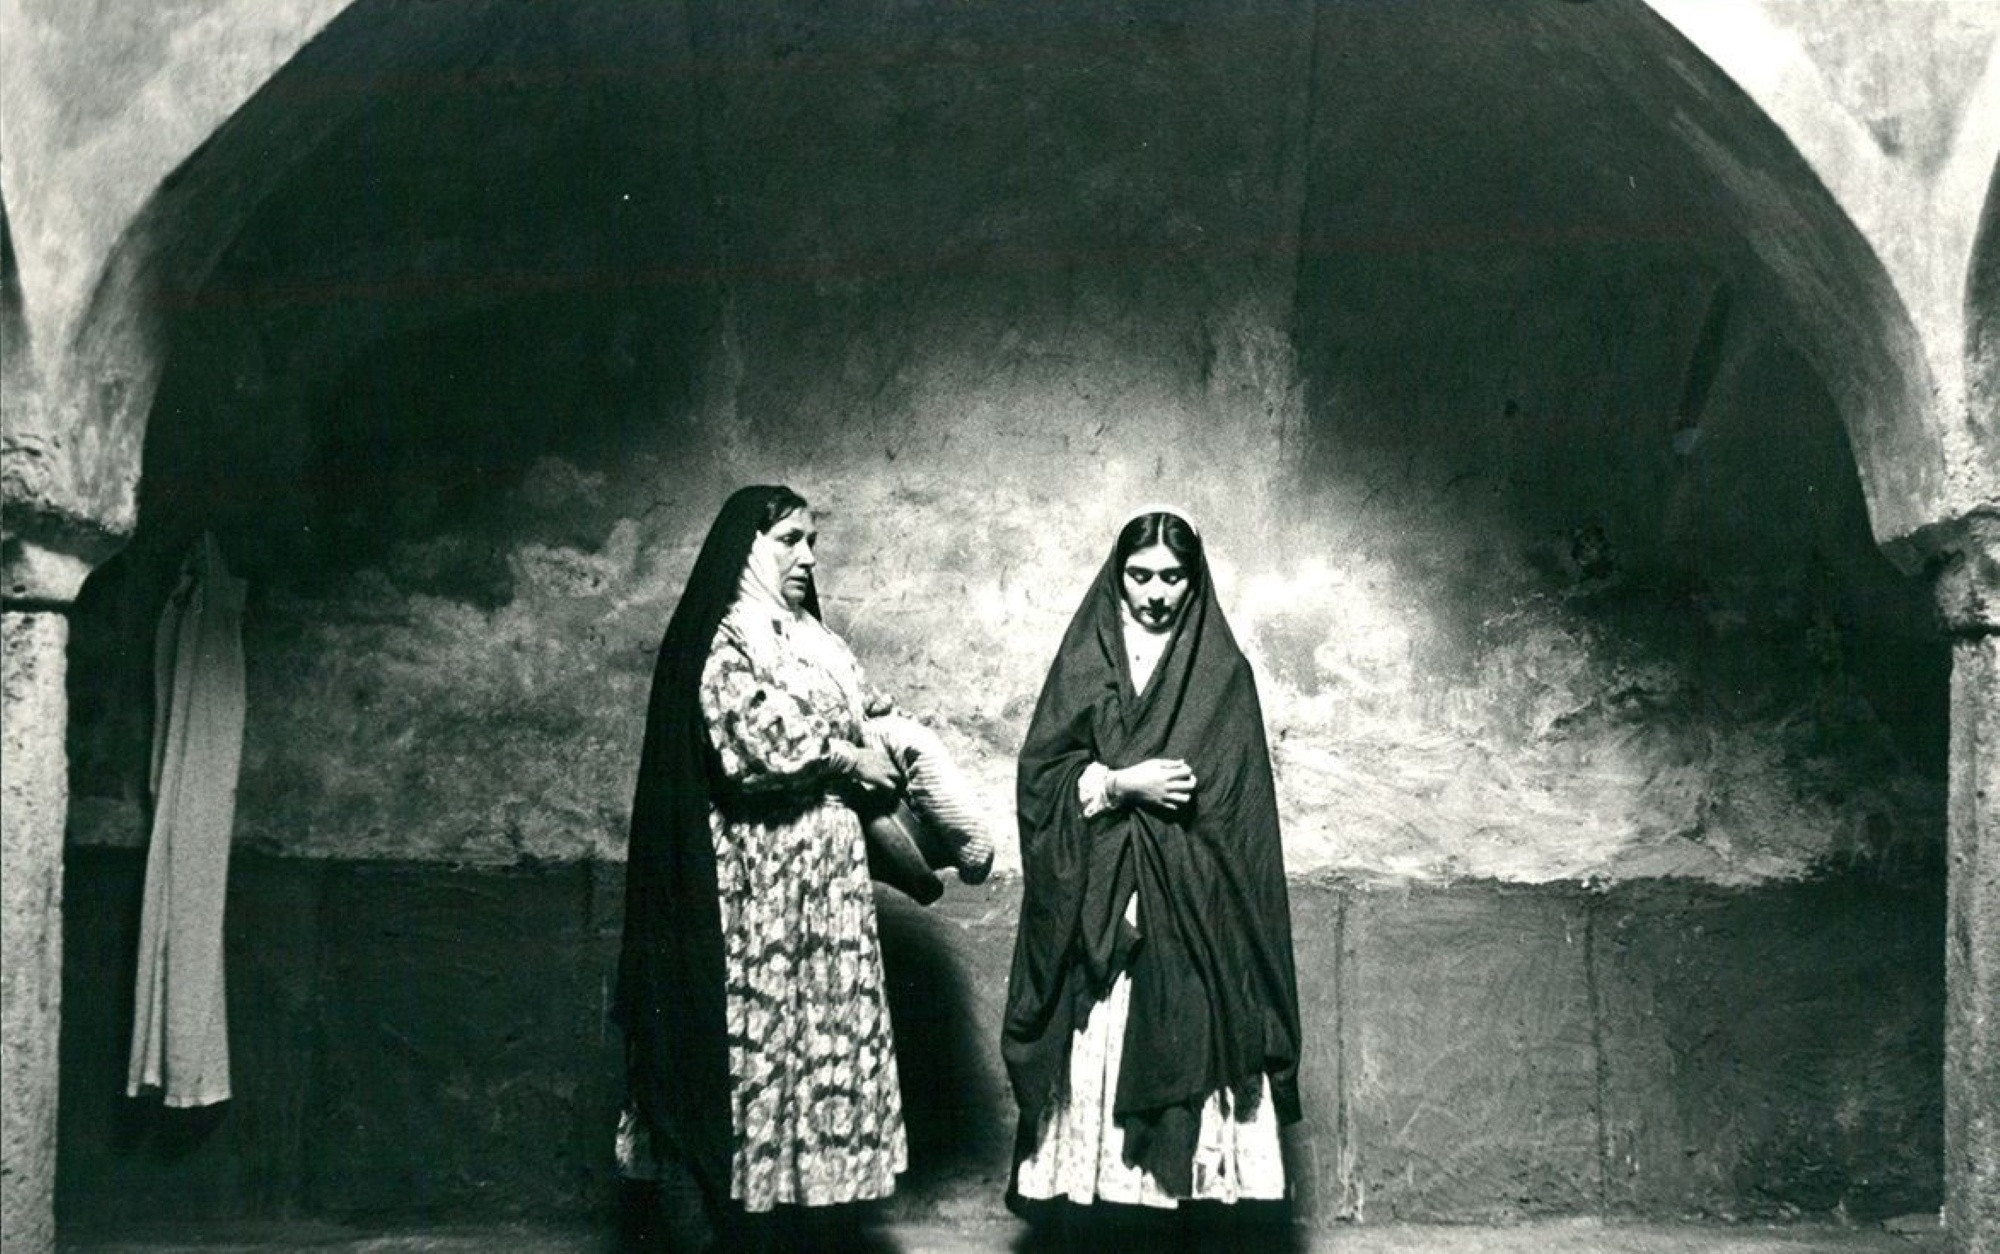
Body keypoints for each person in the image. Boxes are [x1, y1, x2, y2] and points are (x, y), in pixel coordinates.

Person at [614, 484, 992, 1253]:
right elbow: (749, 745)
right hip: (761, 889)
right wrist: (847, 759)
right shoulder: (726, 639)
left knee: (824, 1047)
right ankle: (750, 1226)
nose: (807, 556)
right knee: (770, 1046)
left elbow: (871, 710)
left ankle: (807, 1223)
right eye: (789, 539)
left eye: (811, 541)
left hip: (834, 890)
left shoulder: (819, 640)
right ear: (744, 549)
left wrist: (905, 751)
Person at [1002, 508, 1302, 1245]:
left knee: (1188, 1032)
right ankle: (1103, 1218)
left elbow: (1237, 814)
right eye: (1140, 576)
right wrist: (1120, 785)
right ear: (1119, 576)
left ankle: (1172, 1221)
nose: (1156, 593)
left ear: (1193, 580)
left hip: (1194, 903)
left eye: (1173, 577)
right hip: (1100, 899)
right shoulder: (1087, 659)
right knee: (1095, 1047)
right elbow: (1043, 777)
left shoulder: (1223, 675)